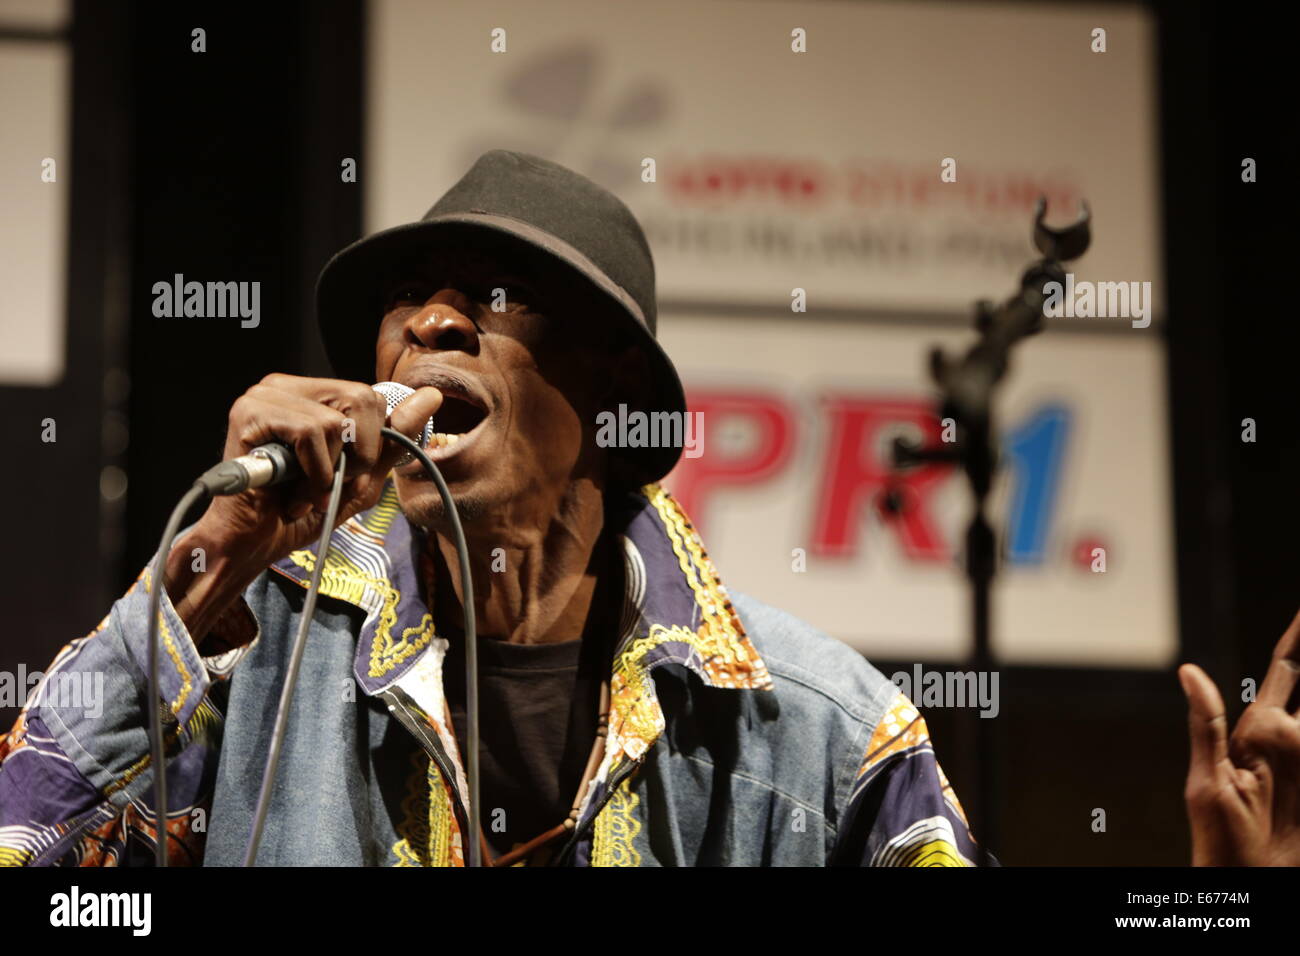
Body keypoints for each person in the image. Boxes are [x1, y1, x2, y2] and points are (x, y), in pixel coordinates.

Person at [0, 150, 1292, 867]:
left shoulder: (818, 730)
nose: (432, 321)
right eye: (412, 301)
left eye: (494, 299)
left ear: (612, 391)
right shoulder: (245, 658)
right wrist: (197, 591)